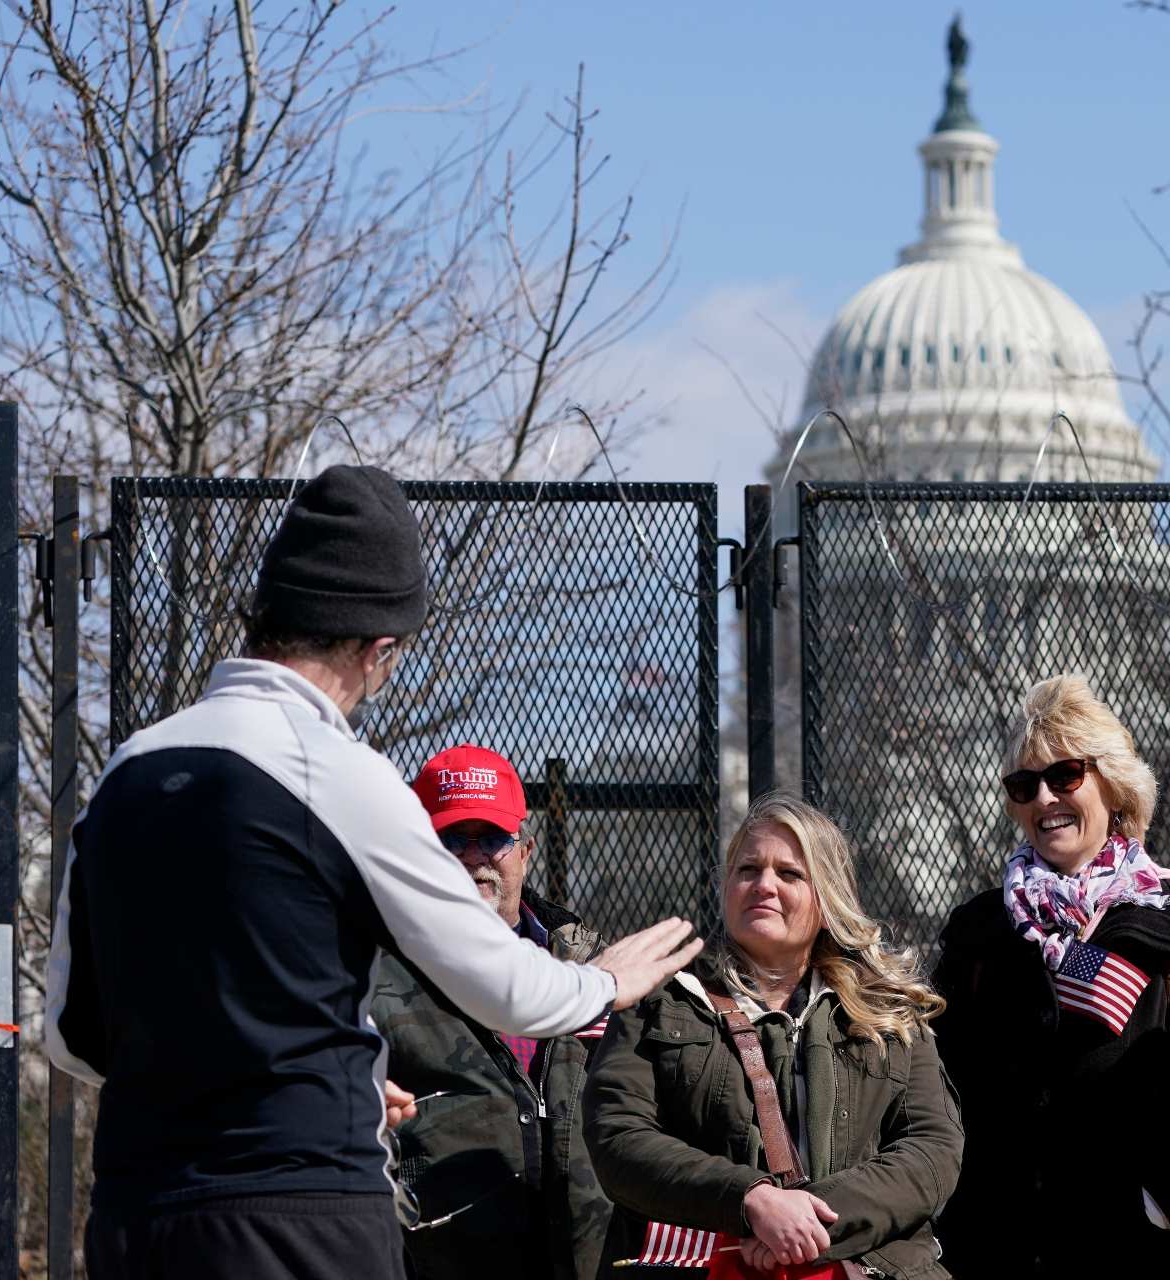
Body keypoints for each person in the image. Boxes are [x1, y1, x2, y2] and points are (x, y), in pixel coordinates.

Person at [44, 464, 702, 1280]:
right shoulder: (336, 772)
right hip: (299, 1212)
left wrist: (309, 1074)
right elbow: (507, 986)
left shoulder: (125, 773)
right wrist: (603, 982)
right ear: (378, 648)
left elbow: (69, 1034)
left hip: (138, 1215)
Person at [932, 673, 1170, 1279]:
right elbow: (934, 1087)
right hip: (995, 1255)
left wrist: (1161, 1205)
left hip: (1138, 1258)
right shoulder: (979, 932)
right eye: (1024, 784)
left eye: (1064, 776)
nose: (1043, 799)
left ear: (1113, 784)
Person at [583, 792, 962, 1280]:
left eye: (789, 873)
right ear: (726, 886)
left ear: (827, 897)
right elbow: (618, 1136)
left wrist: (808, 1222)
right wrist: (751, 1201)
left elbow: (932, 1149)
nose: (764, 885)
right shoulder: (659, 997)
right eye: (748, 870)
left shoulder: (887, 1008)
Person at [372, 744, 615, 1280]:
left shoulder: (592, 968)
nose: (473, 855)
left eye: (492, 837)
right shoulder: (372, 974)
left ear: (525, 851)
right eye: (452, 838)